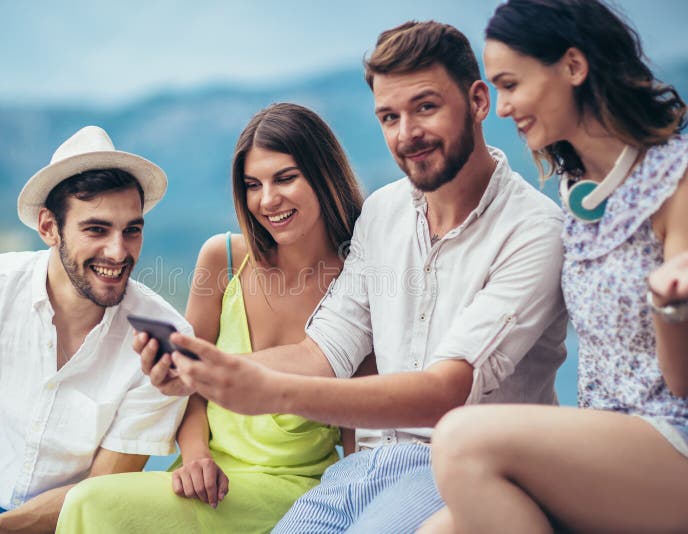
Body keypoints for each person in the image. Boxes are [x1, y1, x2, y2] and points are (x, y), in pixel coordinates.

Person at [139, 21, 569, 533]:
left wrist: (268, 389)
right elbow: (324, 352)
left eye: (425, 107)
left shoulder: (534, 231)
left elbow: (448, 390)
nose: (406, 133)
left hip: (461, 467)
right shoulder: (383, 212)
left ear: (478, 101)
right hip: (360, 470)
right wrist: (206, 369)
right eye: (389, 116)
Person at [421, 1, 688, 532]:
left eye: (511, 84)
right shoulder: (579, 198)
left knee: (460, 439)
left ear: (572, 66)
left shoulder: (676, 181)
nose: (500, 108)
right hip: (608, 439)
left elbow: (680, 383)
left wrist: (670, 308)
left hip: (672, 440)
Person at [55, 103, 365, 533]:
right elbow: (189, 389)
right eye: (253, 184)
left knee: (90, 502)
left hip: (295, 493)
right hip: (203, 480)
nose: (267, 199)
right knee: (92, 502)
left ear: (323, 174)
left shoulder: (359, 282)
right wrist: (197, 455)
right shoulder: (222, 258)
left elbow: (359, 426)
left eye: (286, 177)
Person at [0, 126, 191, 534]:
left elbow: (97, 493)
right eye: (96, 229)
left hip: (74, 524)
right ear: (49, 227)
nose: (119, 252)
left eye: (132, 230)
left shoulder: (161, 342)